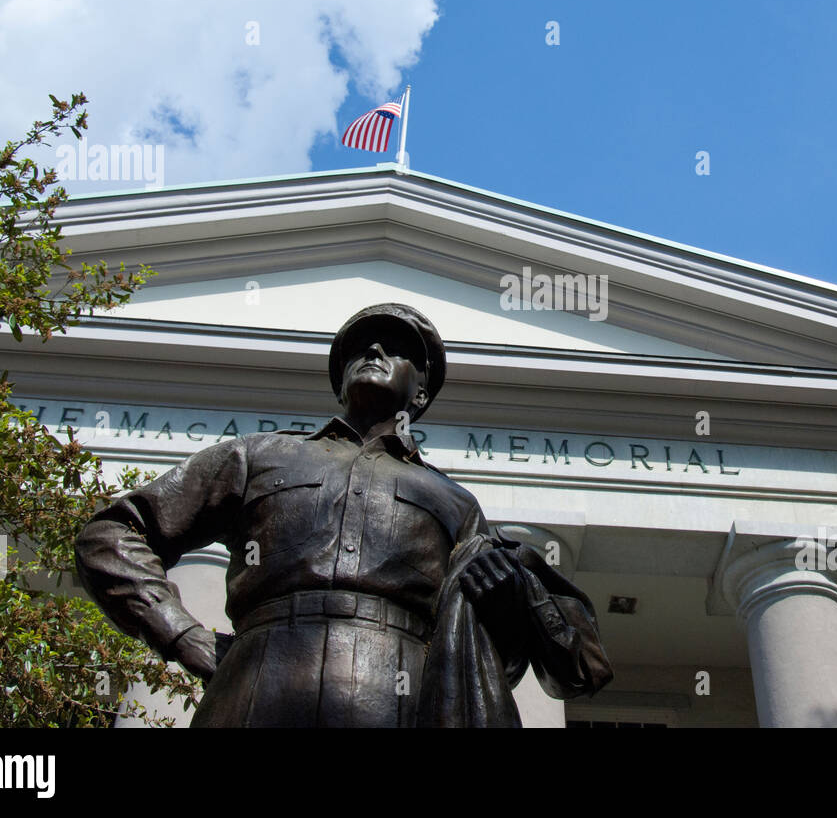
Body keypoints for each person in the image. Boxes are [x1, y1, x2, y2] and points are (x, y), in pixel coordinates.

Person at [75, 302, 611, 726]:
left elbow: (522, 662)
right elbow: (112, 533)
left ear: (420, 391)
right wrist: (181, 633)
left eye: (396, 348)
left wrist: (504, 596)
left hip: (399, 702)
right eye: (359, 347)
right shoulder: (257, 456)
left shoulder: (455, 504)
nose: (374, 349)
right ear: (337, 383)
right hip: (253, 693)